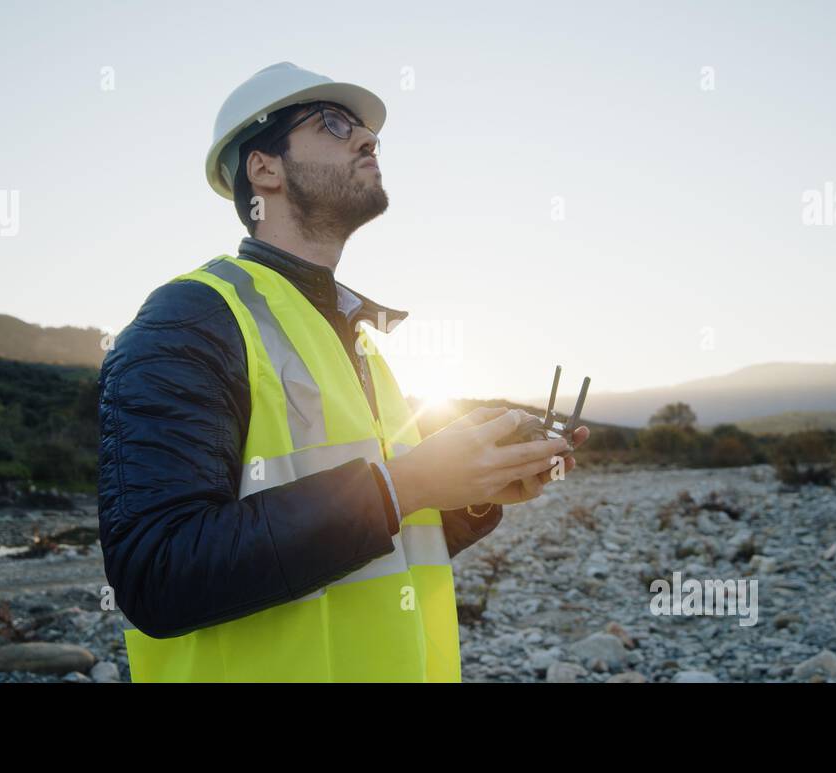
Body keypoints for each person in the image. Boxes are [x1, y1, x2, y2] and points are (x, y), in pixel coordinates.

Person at [96, 62, 589, 682]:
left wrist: (471, 488)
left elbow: (377, 541)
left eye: (367, 130)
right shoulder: (193, 317)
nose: (367, 139)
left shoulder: (356, 339)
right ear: (264, 169)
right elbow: (158, 573)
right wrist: (403, 486)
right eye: (334, 123)